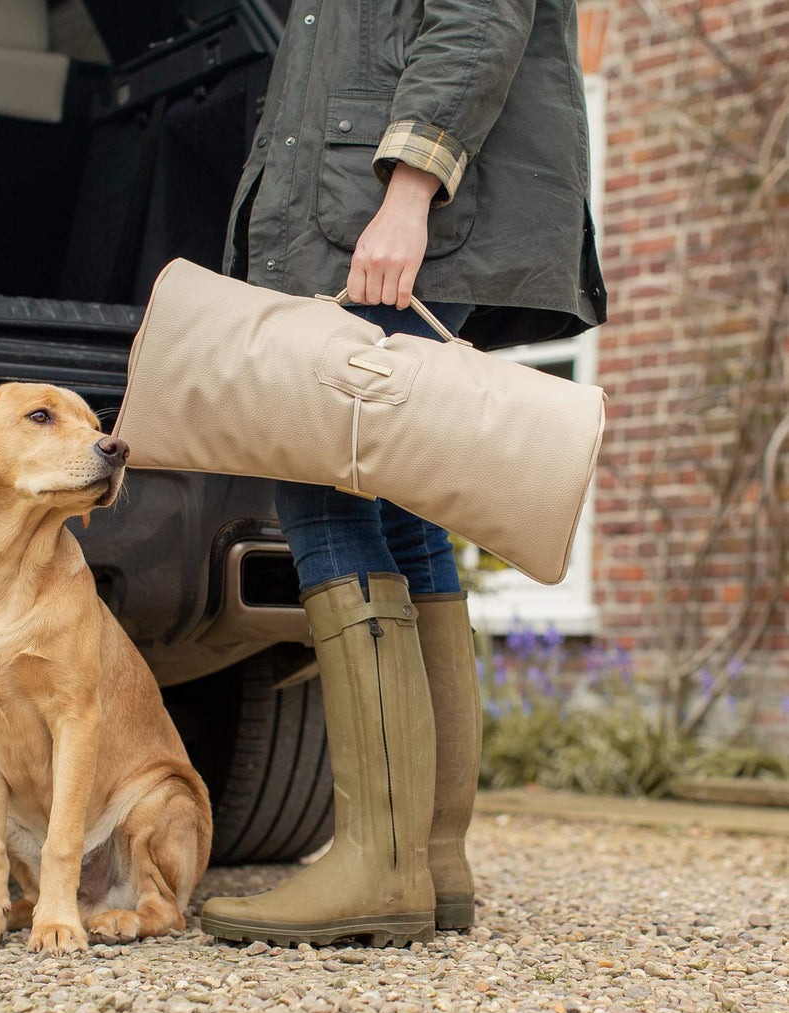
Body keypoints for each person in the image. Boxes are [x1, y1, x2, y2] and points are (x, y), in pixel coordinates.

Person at [200, 0, 607, 947]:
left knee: (323, 481)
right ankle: (428, 857)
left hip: (385, 215)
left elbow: (477, 20)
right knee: (394, 495)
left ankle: (379, 864)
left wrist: (408, 195)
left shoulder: (401, 203)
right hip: (361, 209)